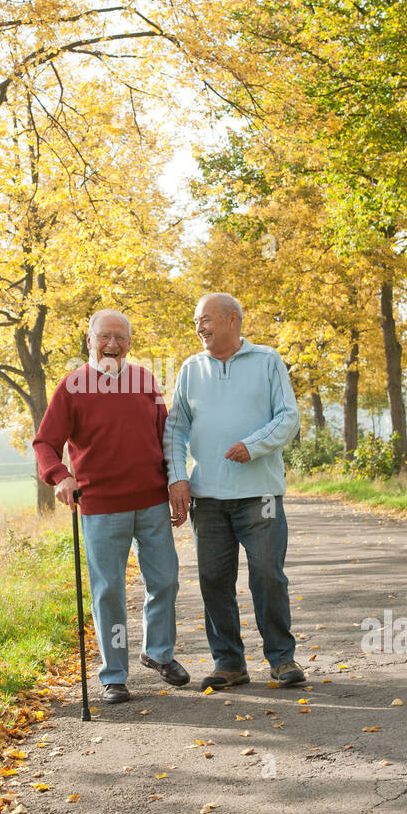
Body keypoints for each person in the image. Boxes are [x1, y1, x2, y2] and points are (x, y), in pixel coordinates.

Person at [32, 310, 187, 705]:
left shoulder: (146, 381)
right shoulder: (72, 387)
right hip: (100, 506)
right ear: (90, 341)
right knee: (109, 592)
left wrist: (175, 483)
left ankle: (158, 653)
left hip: (151, 502)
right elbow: (44, 443)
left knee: (165, 580)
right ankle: (114, 675)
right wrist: (59, 475)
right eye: (105, 337)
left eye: (121, 337)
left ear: (130, 343)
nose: (113, 345)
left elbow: (165, 437)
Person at [164, 293, 304, 690]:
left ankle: (282, 659)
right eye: (196, 322)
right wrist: (178, 478)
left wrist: (253, 444)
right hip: (208, 500)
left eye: (205, 320)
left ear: (231, 319)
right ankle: (229, 663)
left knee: (267, 575)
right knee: (213, 579)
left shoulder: (267, 360)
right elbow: (175, 429)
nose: (199, 328)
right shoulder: (191, 369)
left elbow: (288, 417)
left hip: (260, 494)